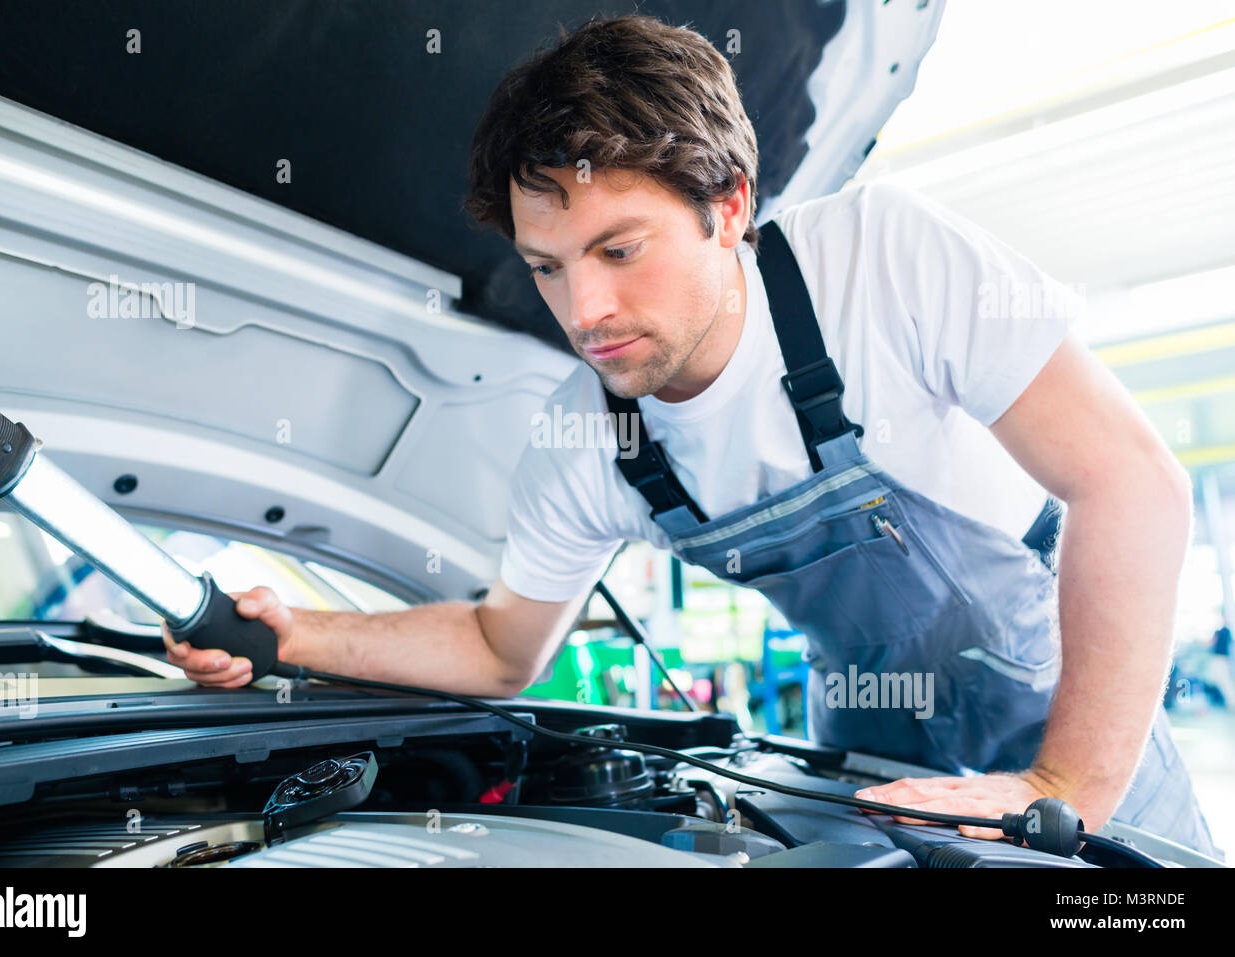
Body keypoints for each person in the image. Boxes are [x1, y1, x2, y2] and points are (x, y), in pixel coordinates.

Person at [164, 15, 1220, 857]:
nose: (582, 312)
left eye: (618, 249)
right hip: (873, 764)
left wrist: (1062, 789)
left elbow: (1129, 486)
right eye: (546, 266)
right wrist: (291, 632)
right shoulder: (586, 441)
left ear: (727, 207)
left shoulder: (877, 260)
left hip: (1088, 740)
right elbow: (499, 647)